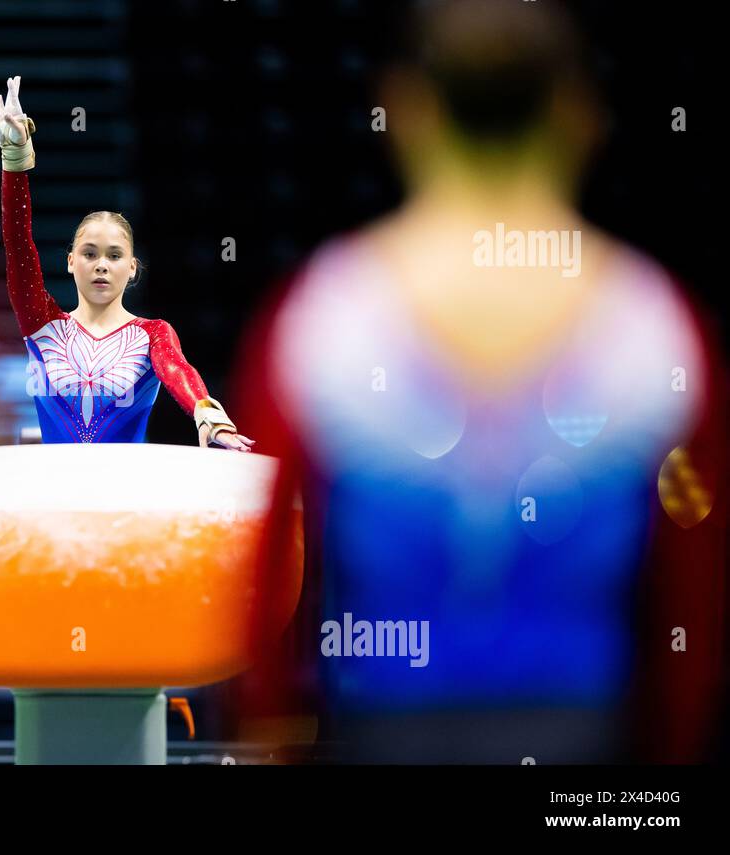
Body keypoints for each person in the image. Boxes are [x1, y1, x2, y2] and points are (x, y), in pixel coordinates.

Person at [238, 0, 725, 762]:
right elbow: (694, 610)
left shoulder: (323, 319)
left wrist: (273, 740)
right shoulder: (653, 326)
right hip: (590, 753)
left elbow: (264, 603)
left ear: (402, 111)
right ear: (578, 113)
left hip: (382, 733)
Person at [0, 76, 254, 450]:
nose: (102, 264)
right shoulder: (42, 324)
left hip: (125, 495)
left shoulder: (152, 334)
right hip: (52, 495)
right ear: (70, 262)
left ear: (132, 267)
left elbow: (177, 369)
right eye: (90, 253)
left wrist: (211, 419)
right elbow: (17, 244)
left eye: (114, 255)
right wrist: (14, 157)